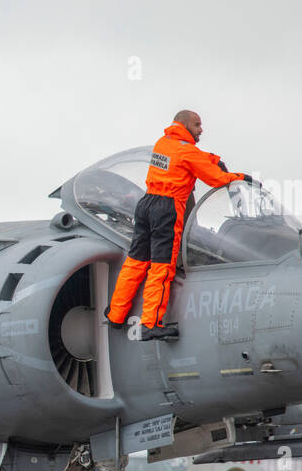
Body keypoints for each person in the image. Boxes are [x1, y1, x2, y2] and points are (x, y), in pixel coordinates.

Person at [105, 110, 254, 341]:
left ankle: (116, 315)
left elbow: (192, 155)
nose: (201, 129)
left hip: (146, 204)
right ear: (184, 125)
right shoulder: (188, 152)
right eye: (197, 125)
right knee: (162, 268)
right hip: (167, 209)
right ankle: (150, 324)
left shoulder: (164, 143)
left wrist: (213, 159)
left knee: (136, 262)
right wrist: (240, 177)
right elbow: (216, 179)